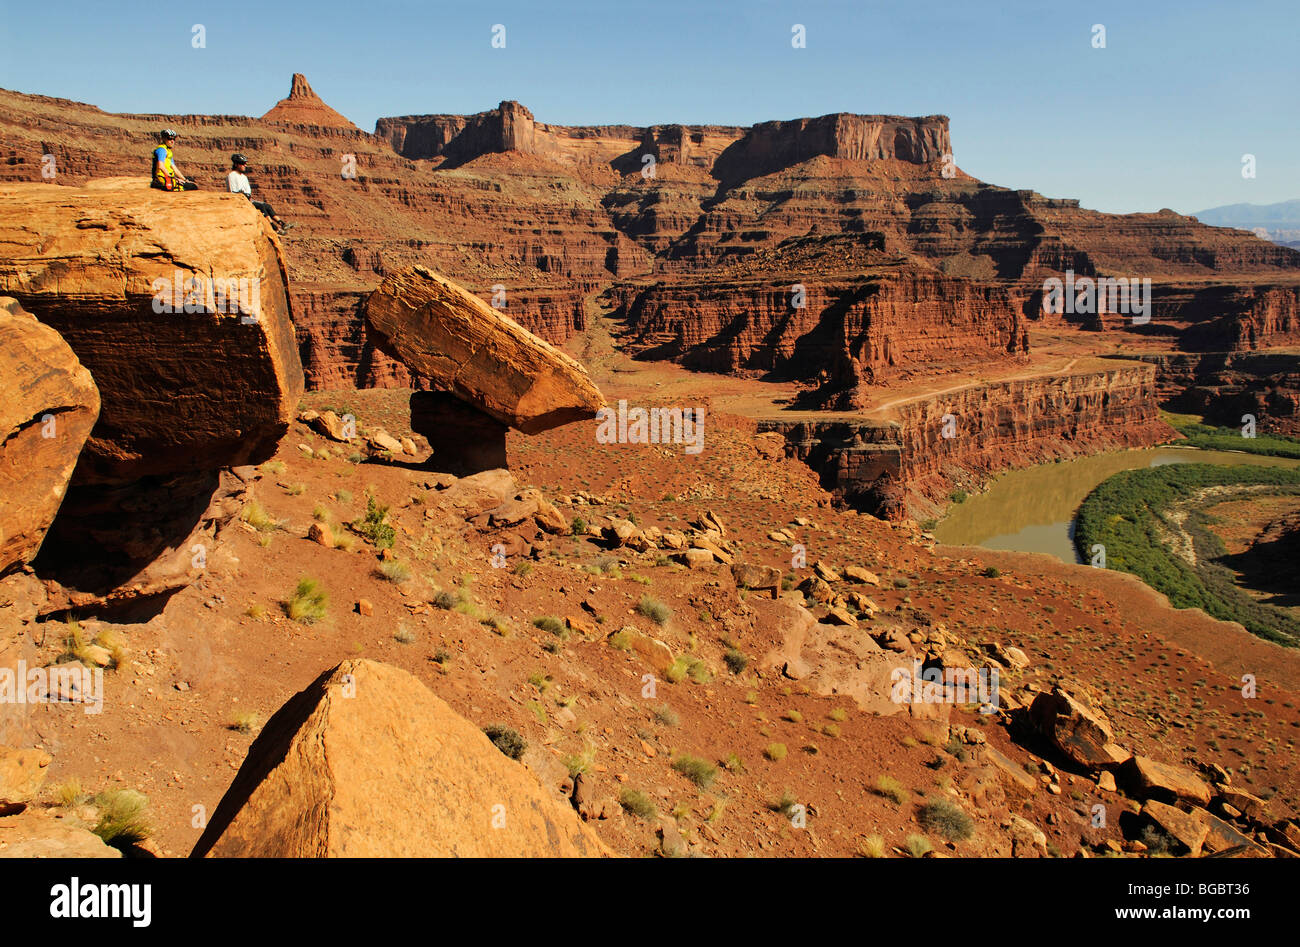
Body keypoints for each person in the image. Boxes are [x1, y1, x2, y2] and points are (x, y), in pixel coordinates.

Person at [227, 154, 287, 233]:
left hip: (248, 199)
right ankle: (274, 227)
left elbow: (248, 190)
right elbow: (233, 191)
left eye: (245, 163)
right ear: (236, 164)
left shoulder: (244, 177)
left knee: (267, 206)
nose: (245, 165)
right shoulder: (232, 176)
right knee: (261, 206)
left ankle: (282, 223)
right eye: (242, 163)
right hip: (240, 200)